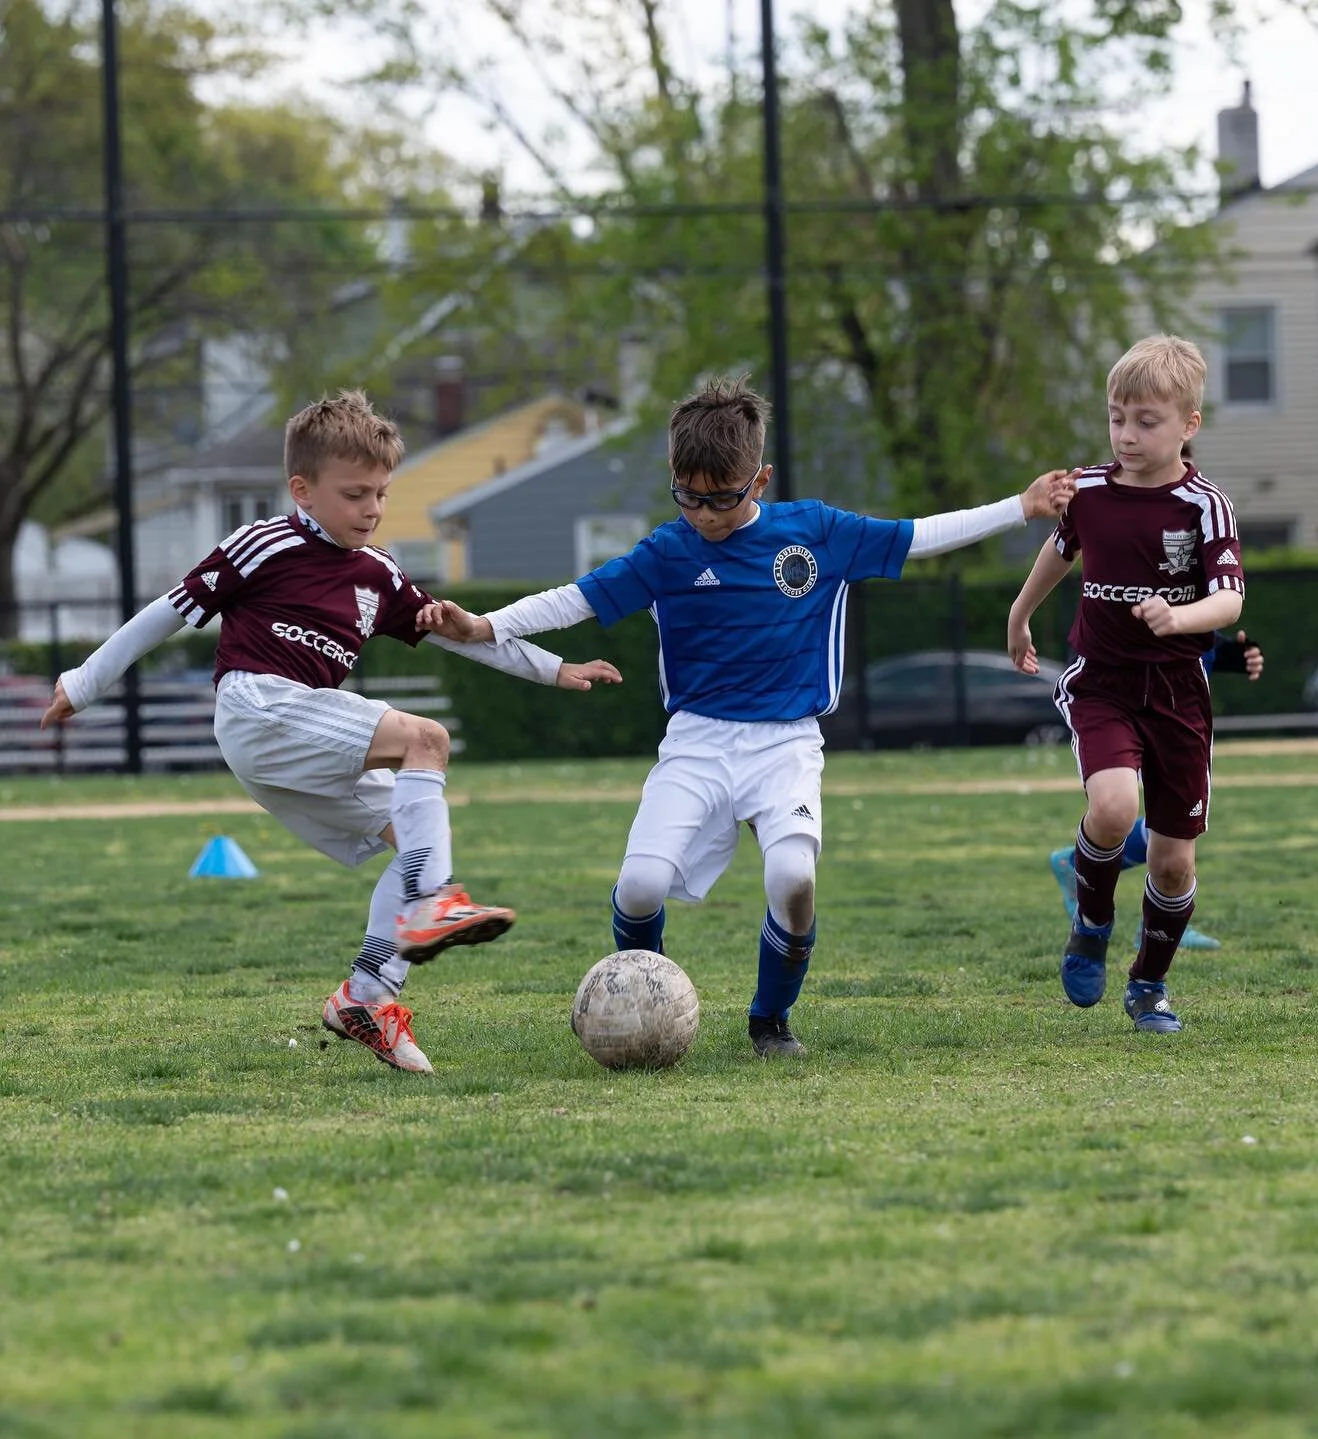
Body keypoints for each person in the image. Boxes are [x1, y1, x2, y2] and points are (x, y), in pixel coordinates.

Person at [416, 375, 1074, 1058]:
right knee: (639, 887)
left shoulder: (814, 532)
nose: (704, 514)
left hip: (785, 745)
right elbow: (573, 599)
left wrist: (1019, 507)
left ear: (760, 480)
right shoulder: (666, 552)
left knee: (794, 879)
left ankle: (770, 1021)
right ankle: (641, 1000)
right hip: (695, 745)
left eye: (722, 498)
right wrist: (483, 626)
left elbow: (918, 536)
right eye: (688, 496)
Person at [40, 390, 622, 1074]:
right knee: (427, 741)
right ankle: (434, 900)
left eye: (381, 494)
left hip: (294, 733)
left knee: (412, 839)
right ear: (303, 490)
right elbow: (166, 612)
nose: (372, 509)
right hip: (257, 704)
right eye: (354, 495)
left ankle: (366, 997)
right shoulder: (263, 543)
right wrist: (84, 682)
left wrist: (555, 669)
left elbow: (458, 636)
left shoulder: (379, 574)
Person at [1007, 334, 1244, 1034]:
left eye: (1146, 421)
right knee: (1111, 808)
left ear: (1188, 424)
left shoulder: (1205, 505)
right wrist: (1019, 616)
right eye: (1117, 418)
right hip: (1102, 683)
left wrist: (1179, 618)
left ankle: (1149, 985)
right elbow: (1059, 552)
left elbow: (1229, 600)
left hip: (1178, 694)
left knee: (1172, 864)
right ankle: (1091, 923)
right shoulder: (1087, 491)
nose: (1127, 435)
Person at [1048, 628, 1264, 949]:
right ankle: (1123, 913)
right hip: (1130, 700)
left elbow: (1185, 618)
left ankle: (1159, 919)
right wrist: (1021, 615)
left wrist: (1224, 651)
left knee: (1181, 820)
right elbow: (1148, 616)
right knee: (1129, 810)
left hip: (1181, 702)